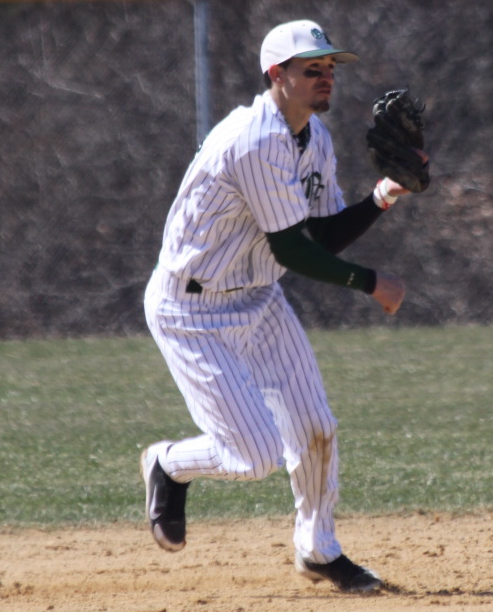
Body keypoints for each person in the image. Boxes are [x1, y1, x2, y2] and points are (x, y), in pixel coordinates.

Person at [140, 19, 428, 593]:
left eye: (329, 69)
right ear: (277, 75)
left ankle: (319, 549)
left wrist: (383, 194)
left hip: (259, 296)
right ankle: (168, 463)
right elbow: (293, 249)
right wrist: (371, 283)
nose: (326, 79)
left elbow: (318, 235)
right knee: (253, 456)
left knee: (316, 426)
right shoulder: (256, 140)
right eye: (311, 69)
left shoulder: (313, 138)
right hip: (191, 311)